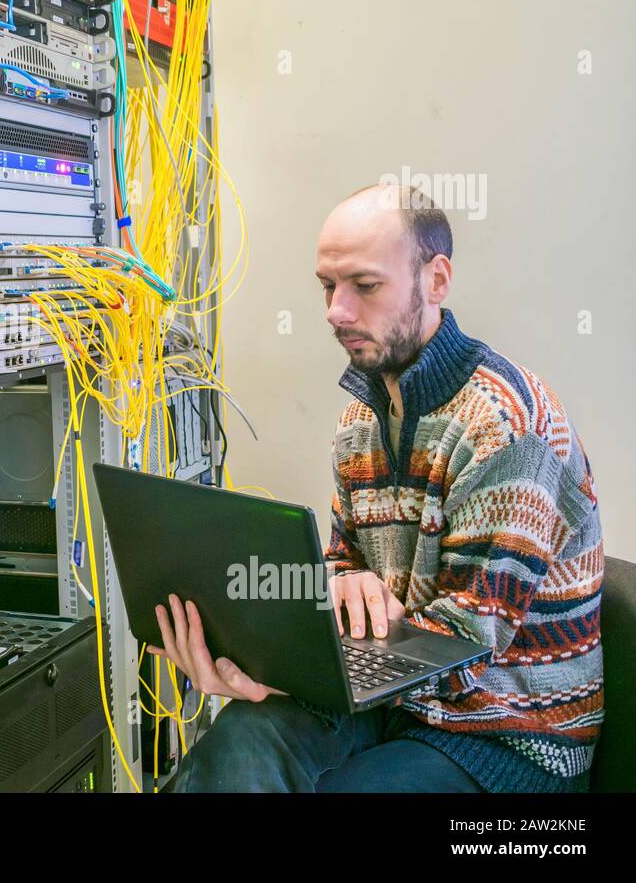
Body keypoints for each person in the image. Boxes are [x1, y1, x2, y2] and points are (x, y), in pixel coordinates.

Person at [154, 184, 605, 792]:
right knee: (235, 747)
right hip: (390, 704)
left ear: (436, 280)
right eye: (327, 286)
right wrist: (335, 587)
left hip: (510, 736)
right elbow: (343, 564)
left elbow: (467, 648)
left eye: (364, 287)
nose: (337, 311)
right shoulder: (358, 424)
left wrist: (294, 671)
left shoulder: (508, 426)